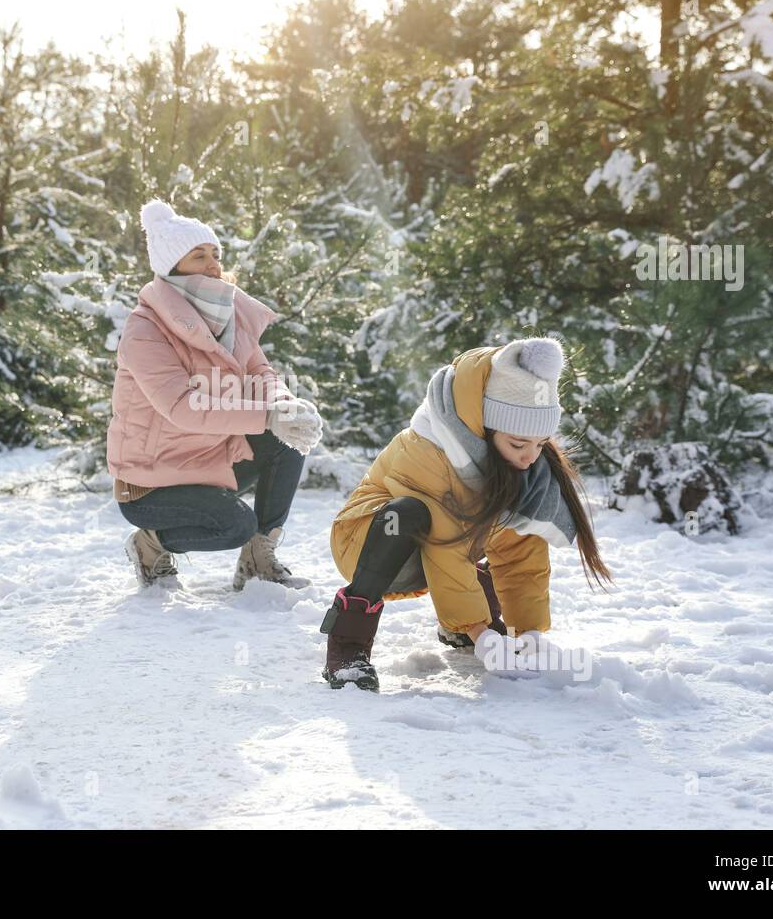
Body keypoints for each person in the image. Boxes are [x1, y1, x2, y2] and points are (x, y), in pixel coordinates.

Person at [323, 337, 612, 691]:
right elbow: (445, 542)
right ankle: (348, 644)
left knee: (505, 514)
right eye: (519, 445)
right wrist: (480, 630)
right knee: (410, 513)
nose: (530, 457)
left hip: (440, 550)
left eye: (540, 444)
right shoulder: (427, 450)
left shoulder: (512, 461)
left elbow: (519, 547)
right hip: (367, 543)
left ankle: (458, 625)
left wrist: (528, 633)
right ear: (485, 428)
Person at [108, 199, 324, 591]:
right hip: (151, 482)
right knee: (235, 525)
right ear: (173, 266)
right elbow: (182, 407)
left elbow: (260, 371)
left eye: (215, 253)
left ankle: (260, 560)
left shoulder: (228, 314)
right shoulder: (145, 329)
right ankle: (149, 544)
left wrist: (282, 406)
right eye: (199, 255)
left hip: (207, 458)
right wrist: (264, 417)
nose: (212, 263)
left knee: (286, 441)